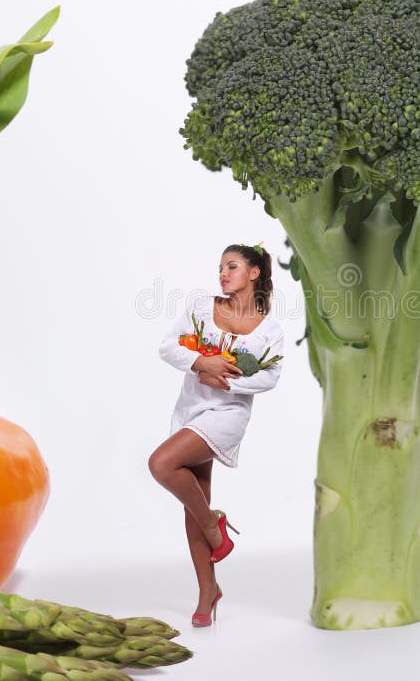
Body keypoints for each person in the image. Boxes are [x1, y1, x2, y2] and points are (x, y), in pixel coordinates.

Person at [149, 242, 285, 627]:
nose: (223, 274)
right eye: (220, 268)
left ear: (254, 272)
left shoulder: (269, 330)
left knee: (161, 463)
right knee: (194, 502)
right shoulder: (200, 306)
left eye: (232, 266)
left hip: (227, 413)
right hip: (189, 408)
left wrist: (227, 385)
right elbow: (167, 346)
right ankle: (208, 591)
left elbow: (270, 377)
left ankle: (213, 525)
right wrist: (200, 362)